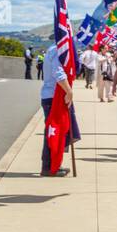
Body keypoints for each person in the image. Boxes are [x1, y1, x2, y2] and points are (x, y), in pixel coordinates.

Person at [39, 42, 75, 176]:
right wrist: (69, 91)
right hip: (53, 97)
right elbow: (57, 72)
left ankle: (53, 164)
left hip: (56, 96)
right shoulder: (56, 50)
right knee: (53, 132)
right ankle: (49, 167)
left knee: (58, 132)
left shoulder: (58, 49)